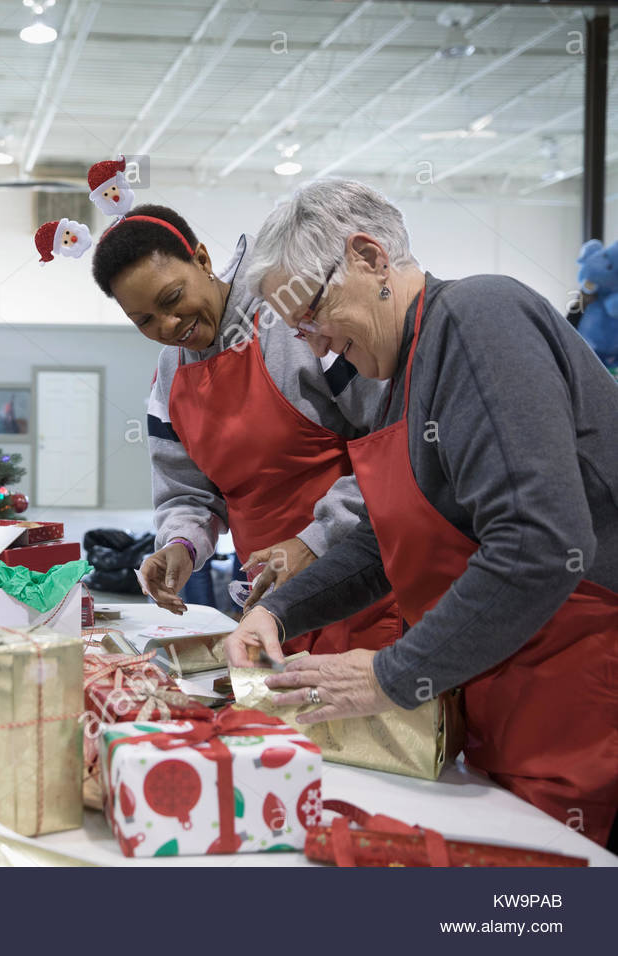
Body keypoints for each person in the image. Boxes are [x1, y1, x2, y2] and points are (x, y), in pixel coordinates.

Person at [226, 179, 618, 847]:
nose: (315, 346)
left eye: (312, 314)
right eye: (298, 332)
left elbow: (541, 543)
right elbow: (385, 542)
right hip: (504, 693)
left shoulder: (478, 318)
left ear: (370, 257)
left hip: (582, 694)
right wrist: (280, 612)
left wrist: (391, 675)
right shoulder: (398, 377)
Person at [90, 204, 403, 655]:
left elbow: (391, 445)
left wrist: (315, 540)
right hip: (269, 599)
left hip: (360, 582)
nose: (168, 326)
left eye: (172, 298)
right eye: (144, 321)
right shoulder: (170, 376)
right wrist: (181, 544)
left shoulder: (293, 321)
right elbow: (186, 492)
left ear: (202, 259)